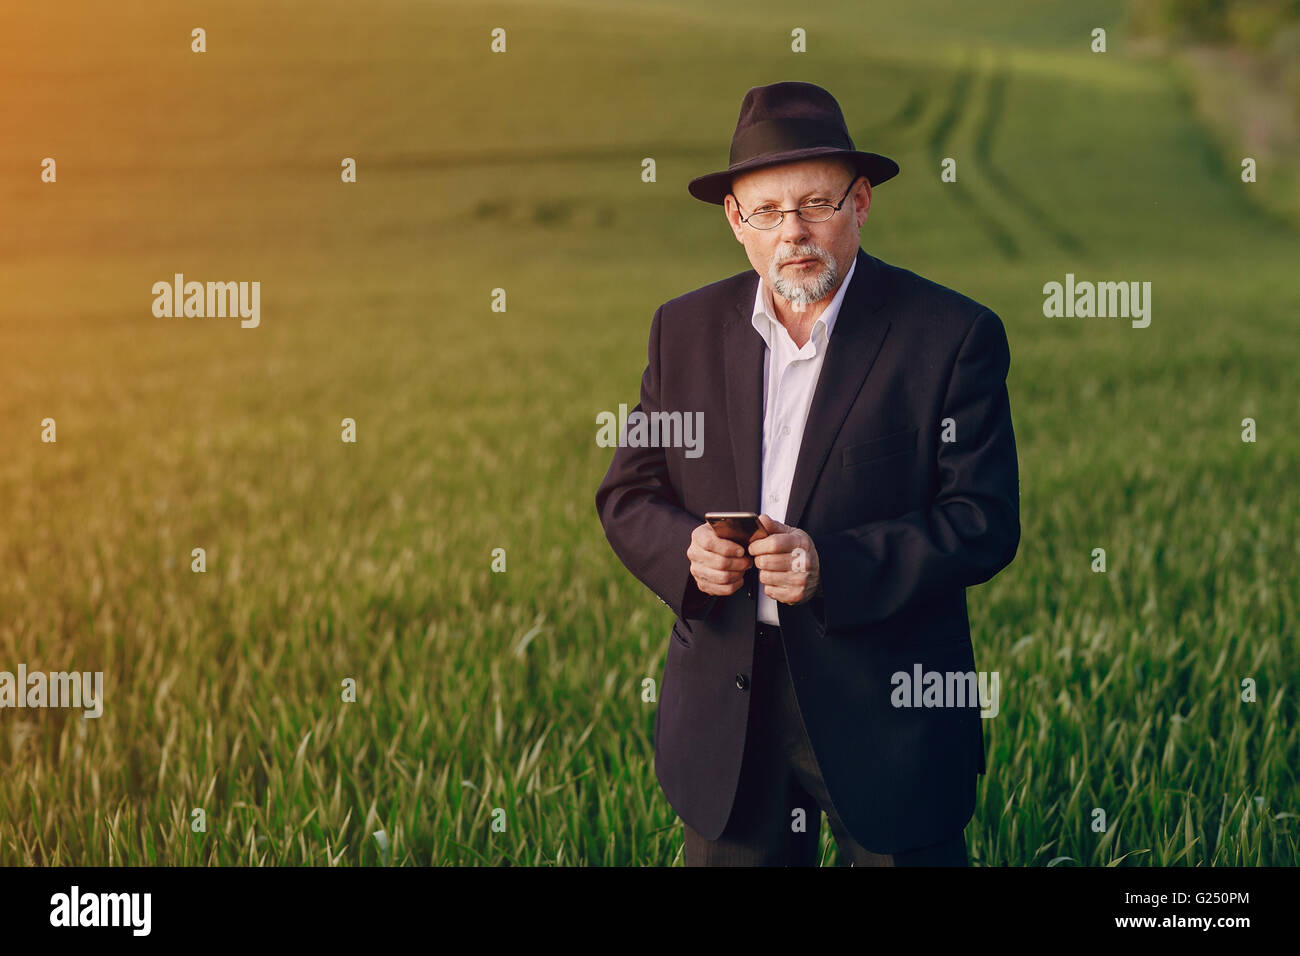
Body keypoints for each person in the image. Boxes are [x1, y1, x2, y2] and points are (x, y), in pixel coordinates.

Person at [595, 81, 1020, 866]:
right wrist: (685, 550)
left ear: (861, 203)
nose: (793, 233)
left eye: (817, 204)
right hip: (728, 710)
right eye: (767, 211)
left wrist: (833, 565)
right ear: (736, 221)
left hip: (889, 712)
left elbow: (983, 521)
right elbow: (629, 493)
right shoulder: (681, 330)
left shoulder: (951, 335)